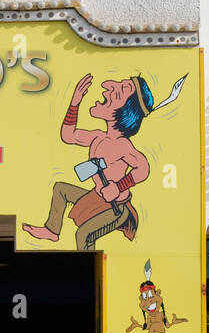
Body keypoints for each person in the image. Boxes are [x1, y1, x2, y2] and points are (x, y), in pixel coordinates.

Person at [22, 74, 152, 251]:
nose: (109, 85)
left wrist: (119, 187)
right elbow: (68, 135)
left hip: (116, 208)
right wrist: (75, 103)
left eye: (122, 89)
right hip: (97, 196)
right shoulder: (98, 137)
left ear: (125, 112)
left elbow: (143, 168)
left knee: (83, 235)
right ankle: (51, 229)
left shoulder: (123, 145)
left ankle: (87, 273)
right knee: (60, 189)